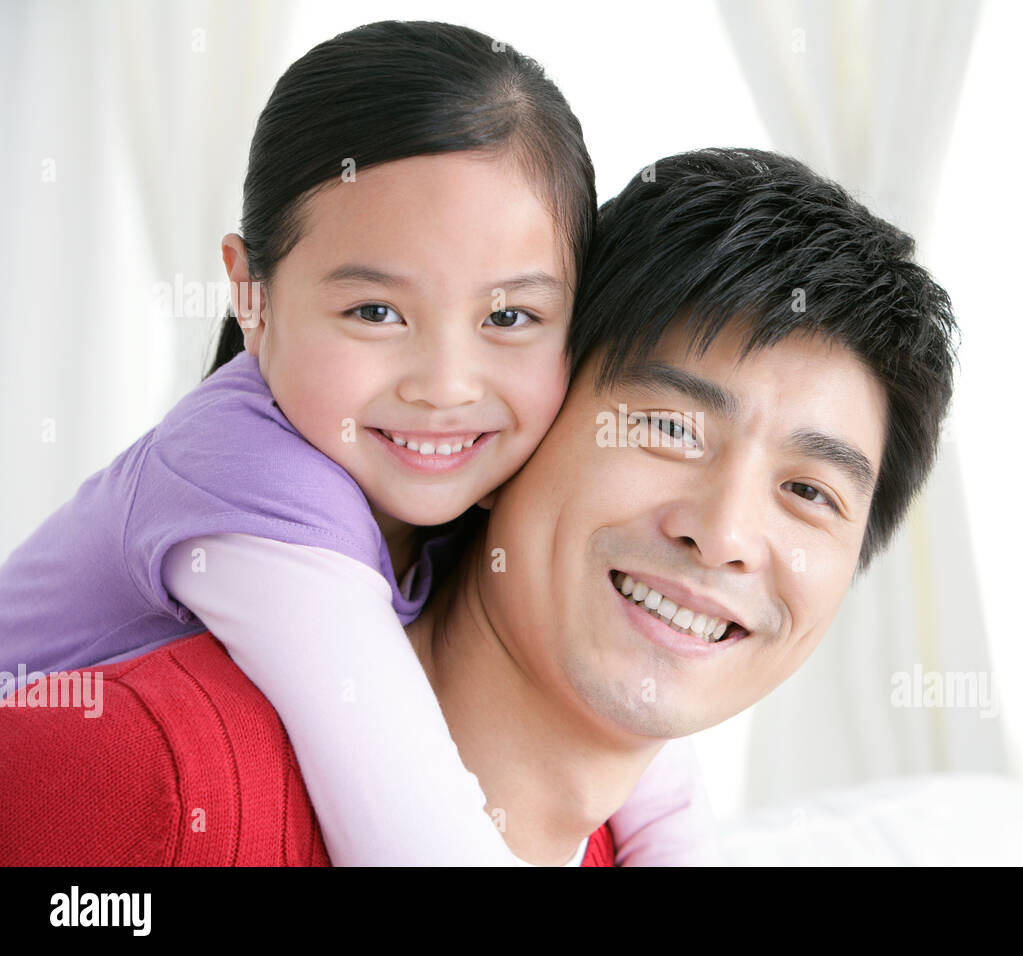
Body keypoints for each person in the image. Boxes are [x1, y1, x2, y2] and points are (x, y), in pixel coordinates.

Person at [0, 147, 959, 866]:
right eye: (669, 429)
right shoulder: (136, 777)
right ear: (511, 429)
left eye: (808, 492)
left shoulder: (615, 837)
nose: (725, 532)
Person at [0, 20, 711, 866]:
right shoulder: (252, 478)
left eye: (509, 317)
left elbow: (662, 791)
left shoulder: (480, 479)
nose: (446, 385)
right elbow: (420, 838)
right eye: (375, 312)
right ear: (251, 294)